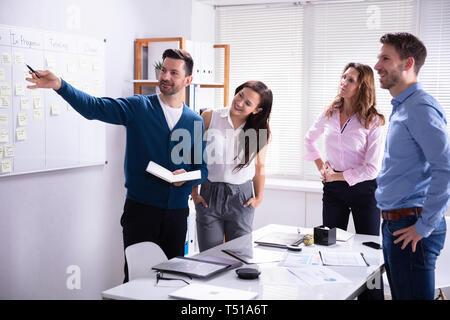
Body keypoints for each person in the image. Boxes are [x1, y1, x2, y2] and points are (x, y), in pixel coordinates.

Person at [26, 49, 208, 282]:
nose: (166, 77)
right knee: (136, 280)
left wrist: (188, 176)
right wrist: (60, 85)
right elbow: (94, 107)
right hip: (141, 211)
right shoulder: (139, 107)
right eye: (164, 70)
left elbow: (202, 169)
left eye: (174, 72)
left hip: (177, 215)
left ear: (188, 80)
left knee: (173, 281)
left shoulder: (194, 120)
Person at [374, 32, 450, 300]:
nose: (377, 66)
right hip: (395, 222)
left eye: (385, 58)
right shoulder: (402, 107)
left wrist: (423, 227)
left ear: (407, 64)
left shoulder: (419, 108)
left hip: (411, 224)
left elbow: (446, 168)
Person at [304, 63, 386, 300]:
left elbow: (372, 167)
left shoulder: (374, 120)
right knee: (328, 246)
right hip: (333, 190)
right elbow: (309, 140)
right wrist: (322, 168)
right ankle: (333, 294)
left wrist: (338, 175)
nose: (344, 82)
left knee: (369, 251)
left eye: (351, 80)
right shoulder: (330, 112)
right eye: (343, 77)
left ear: (363, 86)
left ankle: (372, 298)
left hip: (364, 189)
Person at [192, 80, 273, 251]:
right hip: (209, 195)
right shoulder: (209, 116)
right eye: (240, 95)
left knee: (239, 258)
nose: (239, 102)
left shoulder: (260, 130)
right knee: (209, 257)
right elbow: (193, 156)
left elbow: (259, 167)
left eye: (248, 103)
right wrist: (194, 193)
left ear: (257, 110)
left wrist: (258, 198)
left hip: (241, 198)